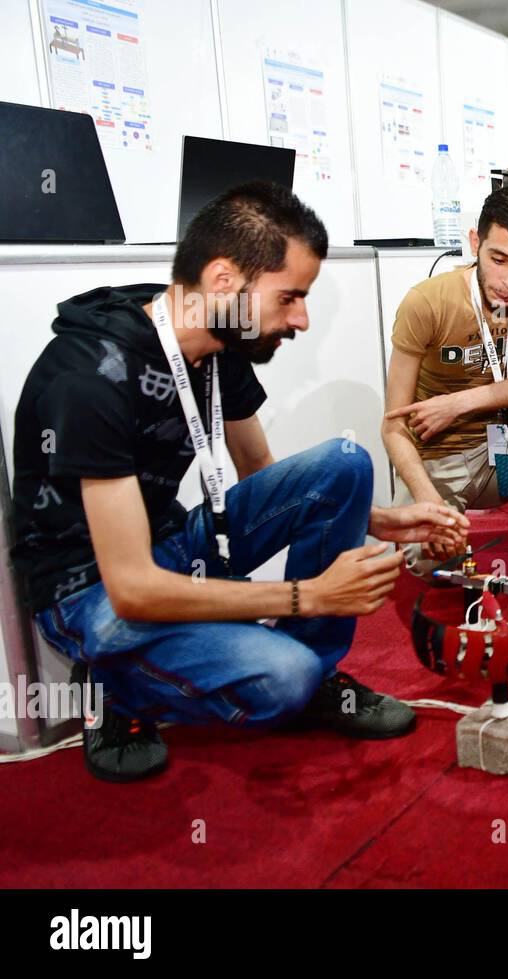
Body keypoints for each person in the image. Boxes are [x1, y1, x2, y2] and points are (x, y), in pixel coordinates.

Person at [10, 182, 470, 783]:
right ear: (225, 281)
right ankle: (114, 685)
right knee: (281, 680)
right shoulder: (90, 380)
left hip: (168, 548)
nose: (301, 319)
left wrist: (383, 520)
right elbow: (130, 589)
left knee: (347, 461)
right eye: (290, 297)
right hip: (92, 590)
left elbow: (262, 473)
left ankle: (319, 673)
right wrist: (311, 596)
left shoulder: (217, 336)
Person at [383, 186, 508, 577]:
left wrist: (459, 402)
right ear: (475, 243)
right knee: (433, 566)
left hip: (504, 462)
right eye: (498, 259)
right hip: (439, 463)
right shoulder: (425, 302)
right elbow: (392, 427)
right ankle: (441, 526)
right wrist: (427, 500)